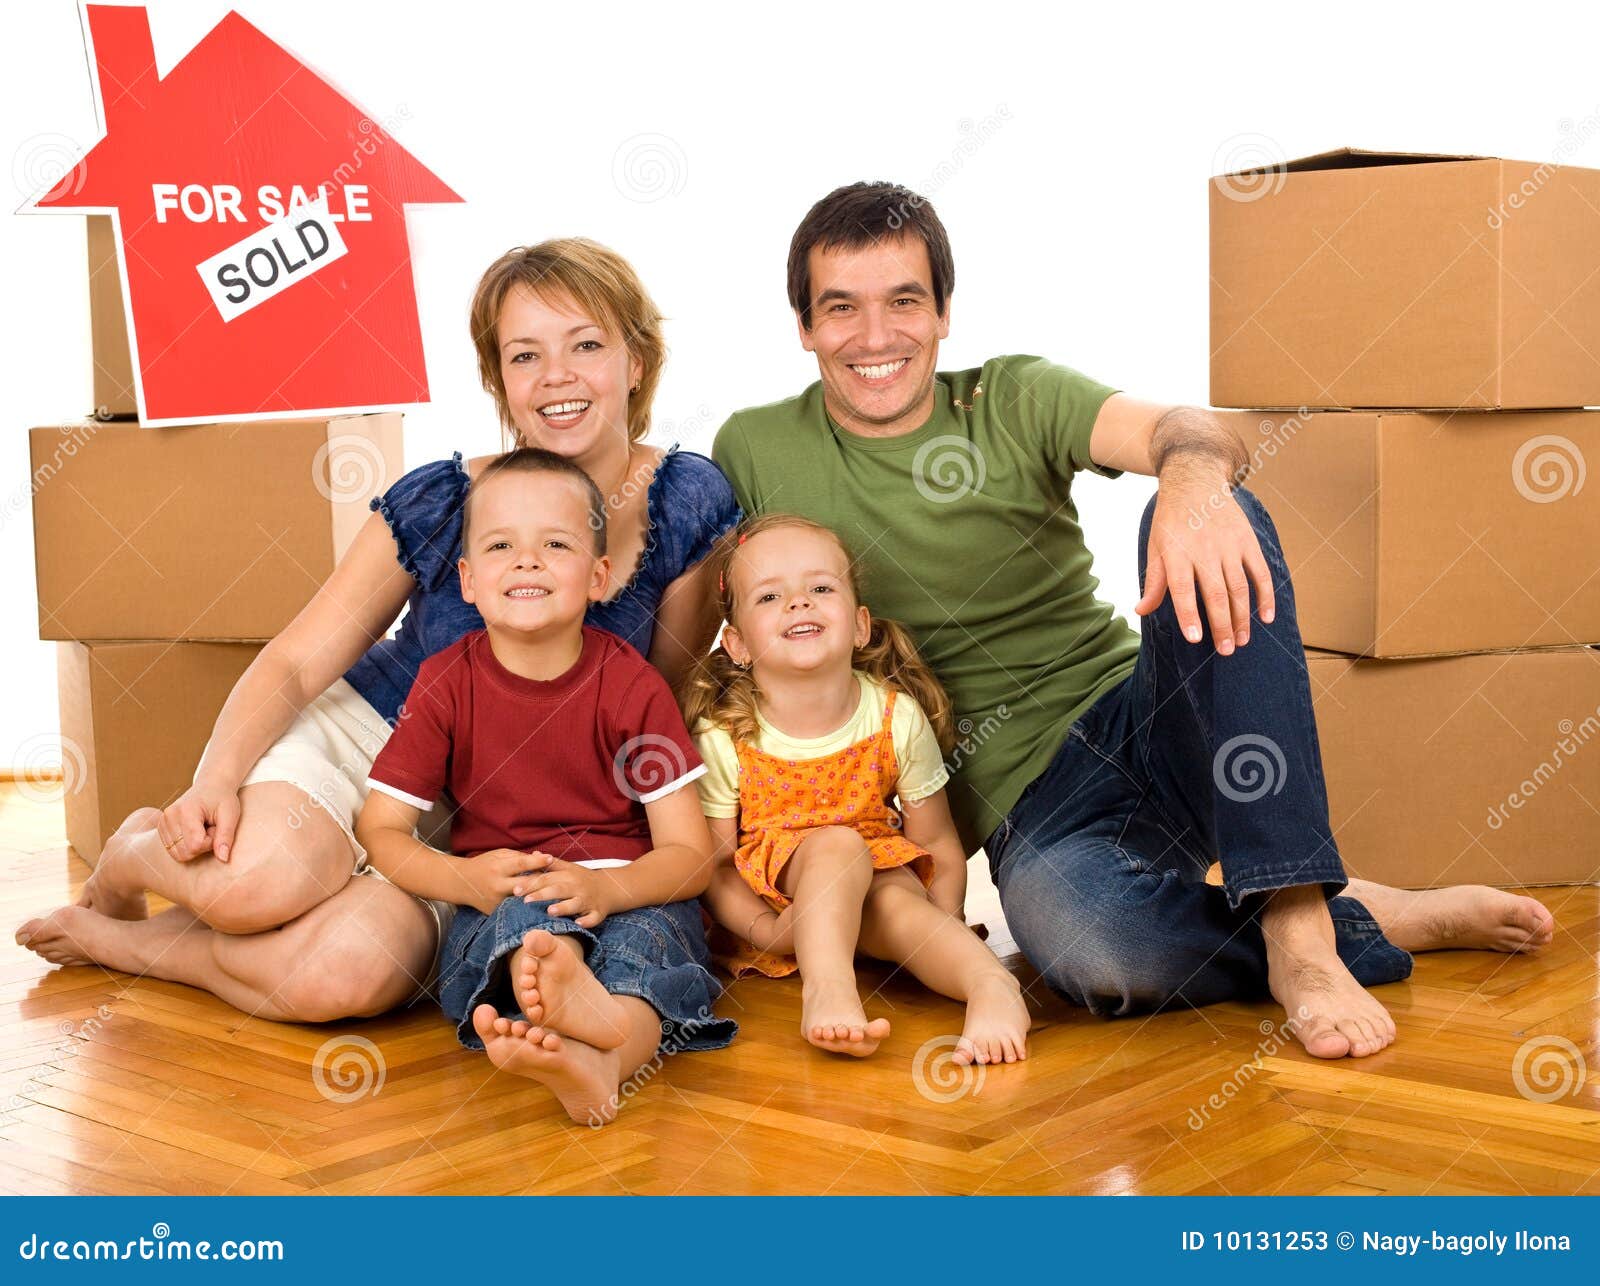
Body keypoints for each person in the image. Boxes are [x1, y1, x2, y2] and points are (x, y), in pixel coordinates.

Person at [710, 181, 1556, 1061]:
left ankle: (1303, 932)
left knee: (1195, 511)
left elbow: (1196, 428)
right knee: (1092, 953)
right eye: (841, 308)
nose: (876, 336)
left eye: (904, 302)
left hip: (1150, 715)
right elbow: (711, 604)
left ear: (945, 312)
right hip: (1033, 807)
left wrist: (1189, 479)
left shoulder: (1016, 396)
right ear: (804, 326)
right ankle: (1375, 920)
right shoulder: (756, 449)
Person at [17, 239, 740, 1025]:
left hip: (493, 812)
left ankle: (128, 946)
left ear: (637, 362)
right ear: (500, 380)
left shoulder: (685, 500)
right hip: (374, 738)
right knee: (254, 886)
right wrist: (214, 779)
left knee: (344, 977)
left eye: (587, 345)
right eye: (525, 355)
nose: (557, 376)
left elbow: (660, 692)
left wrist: (620, 865)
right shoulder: (443, 497)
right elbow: (297, 660)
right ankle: (135, 851)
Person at [355, 448, 734, 1124]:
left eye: (554, 545)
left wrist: (606, 889)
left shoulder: (632, 686)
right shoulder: (445, 683)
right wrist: (464, 881)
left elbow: (692, 856)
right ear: (467, 581)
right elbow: (380, 830)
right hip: (510, 896)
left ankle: (600, 1060)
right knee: (528, 934)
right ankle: (566, 996)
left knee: (643, 960)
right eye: (502, 545)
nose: (527, 561)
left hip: (630, 890)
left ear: (598, 575)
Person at [680, 514, 1029, 1063]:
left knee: (898, 901)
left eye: (821, 588)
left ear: (861, 625)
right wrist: (767, 931)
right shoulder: (725, 734)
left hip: (878, 879)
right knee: (837, 845)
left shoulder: (894, 716)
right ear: (737, 643)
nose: (800, 603)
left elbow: (937, 840)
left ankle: (992, 987)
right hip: (785, 908)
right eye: (770, 596)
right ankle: (829, 988)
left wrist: (944, 920)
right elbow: (717, 866)